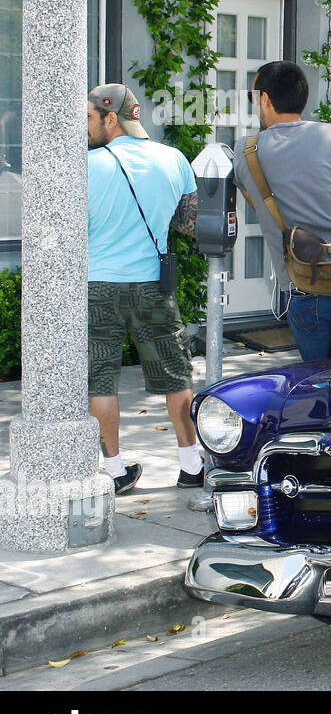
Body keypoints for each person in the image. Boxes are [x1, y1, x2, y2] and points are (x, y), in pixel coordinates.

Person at [87, 83, 201, 495]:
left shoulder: (87, 166)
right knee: (174, 375)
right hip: (152, 288)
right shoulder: (173, 159)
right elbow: (190, 223)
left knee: (101, 379)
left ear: (110, 117)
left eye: (88, 118)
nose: (86, 126)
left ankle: (115, 471)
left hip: (98, 288)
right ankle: (191, 464)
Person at [233, 61, 331, 361]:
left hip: (307, 285)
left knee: (318, 382)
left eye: (253, 98)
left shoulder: (247, 150)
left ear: (265, 99)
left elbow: (256, 202)